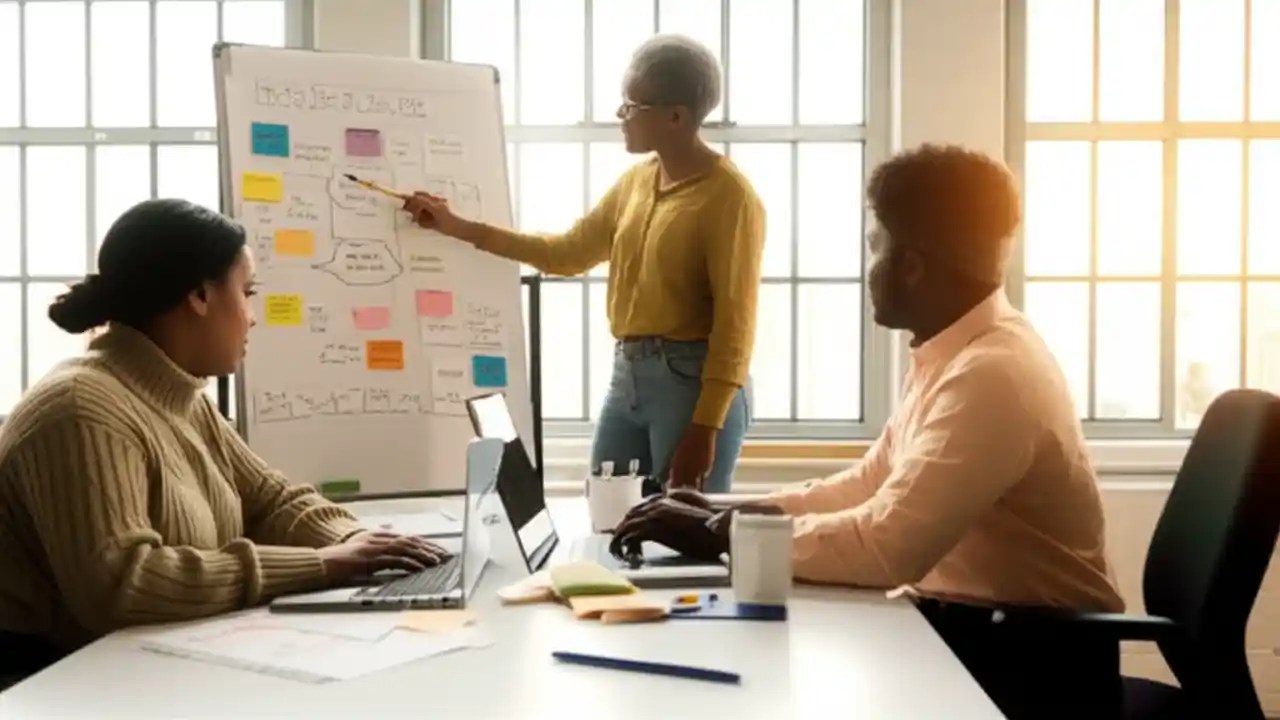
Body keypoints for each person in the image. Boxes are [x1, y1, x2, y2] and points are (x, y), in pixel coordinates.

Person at [607, 145, 1125, 718]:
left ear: (912, 266)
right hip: (974, 635)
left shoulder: (993, 375)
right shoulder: (956, 353)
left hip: (1031, 667)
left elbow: (886, 547)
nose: (868, 268)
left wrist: (718, 532)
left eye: (873, 246)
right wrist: (727, 510)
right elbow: (870, 486)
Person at [0, 199, 445, 675]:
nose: (252, 317)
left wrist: (360, 543)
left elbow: (272, 501)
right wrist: (325, 564)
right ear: (199, 295)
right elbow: (124, 585)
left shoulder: (178, 395)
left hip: (147, 667)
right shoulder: (82, 409)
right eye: (247, 292)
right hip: (58, 681)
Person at [404, 34, 765, 494]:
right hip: (628, 375)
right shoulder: (637, 182)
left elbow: (736, 326)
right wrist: (456, 226)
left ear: (676, 117)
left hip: (692, 384)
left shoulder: (730, 198)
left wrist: (706, 427)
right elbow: (566, 253)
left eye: (631, 106)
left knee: (681, 527)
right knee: (608, 512)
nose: (619, 115)